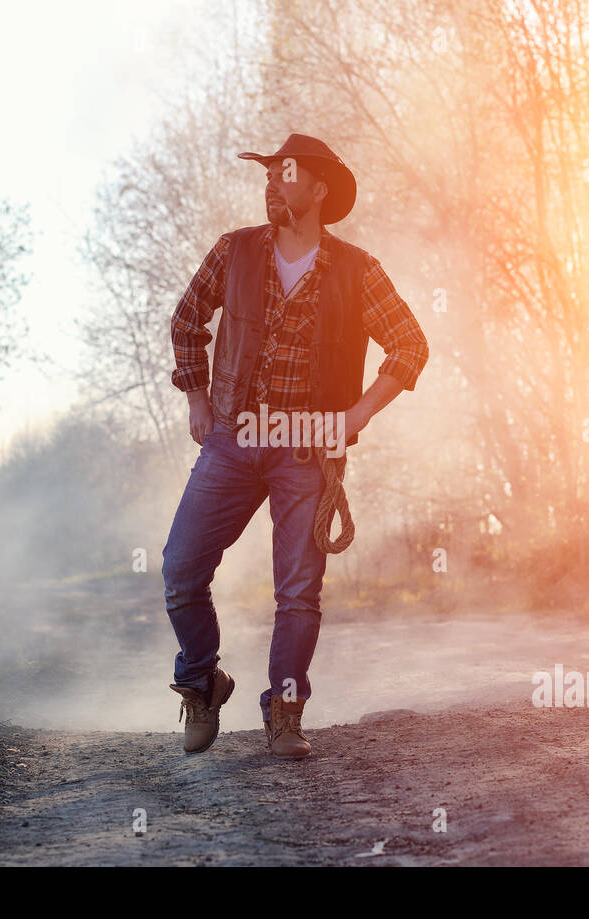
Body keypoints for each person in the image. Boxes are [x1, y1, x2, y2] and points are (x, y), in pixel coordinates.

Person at [163, 133, 429, 758]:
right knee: (179, 569)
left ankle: (285, 713)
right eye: (268, 175)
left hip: (307, 450)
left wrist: (355, 416)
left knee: (298, 593)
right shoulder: (235, 251)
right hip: (232, 438)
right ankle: (202, 681)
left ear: (318, 188)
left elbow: (410, 344)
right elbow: (186, 322)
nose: (270, 184)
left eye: (283, 174)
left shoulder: (358, 269)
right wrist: (198, 398)